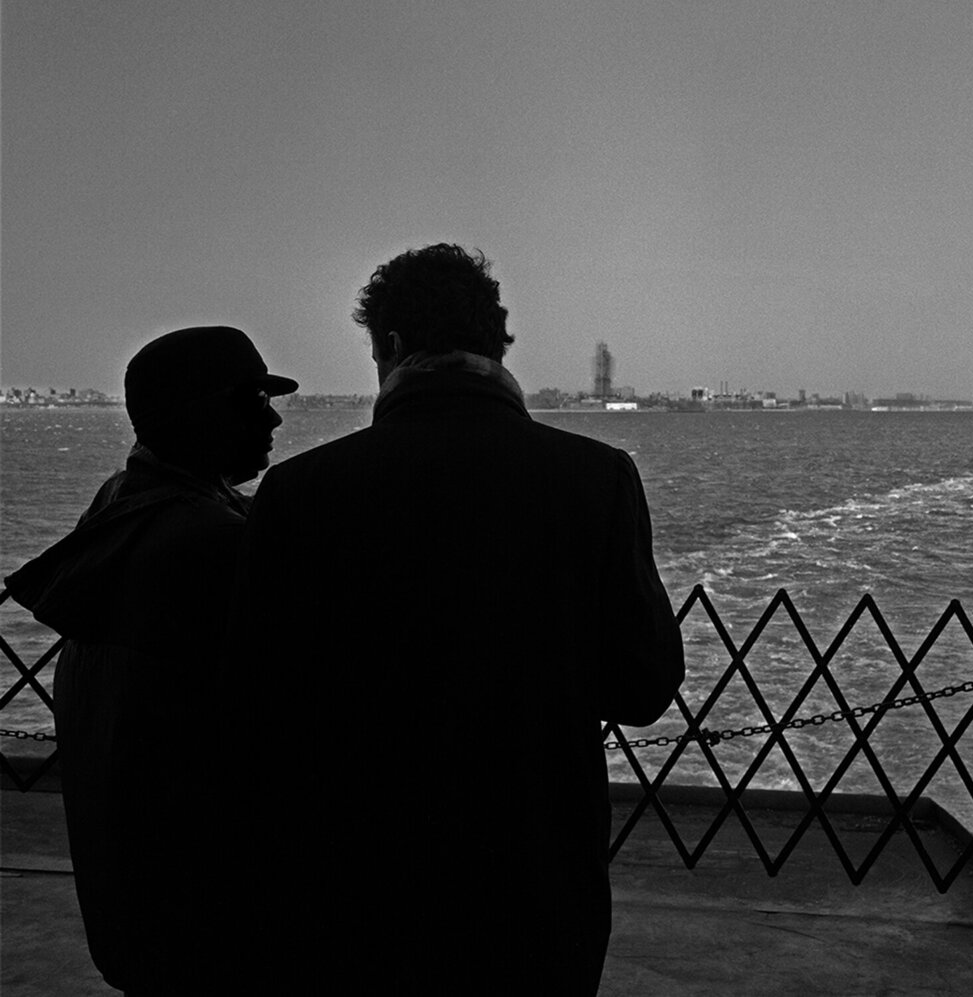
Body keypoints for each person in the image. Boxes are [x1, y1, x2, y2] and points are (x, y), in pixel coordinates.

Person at [222, 243, 684, 995]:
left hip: (357, 888)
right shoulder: (595, 479)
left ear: (393, 348)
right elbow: (644, 687)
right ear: (495, 347)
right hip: (536, 889)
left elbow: (256, 708)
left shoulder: (302, 493)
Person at [3, 325, 297, 995]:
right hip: (207, 911)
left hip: (135, 899)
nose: (274, 415)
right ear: (201, 415)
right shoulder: (212, 542)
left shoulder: (122, 505)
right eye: (253, 400)